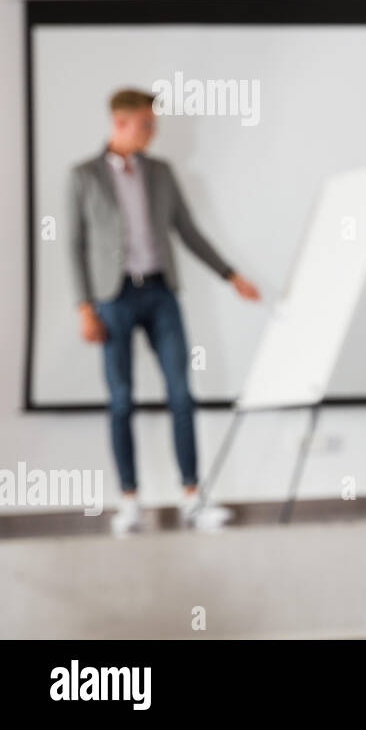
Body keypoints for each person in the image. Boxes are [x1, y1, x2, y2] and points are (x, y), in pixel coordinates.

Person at [70, 88, 261, 536]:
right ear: (119, 123)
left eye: (153, 125)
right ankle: (130, 501)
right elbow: (75, 245)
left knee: (181, 394)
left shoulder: (161, 173)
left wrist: (229, 274)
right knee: (120, 400)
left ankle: (192, 497)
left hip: (160, 294)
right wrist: (84, 307)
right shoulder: (84, 176)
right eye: (145, 125)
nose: (152, 133)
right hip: (112, 299)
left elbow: (187, 230)